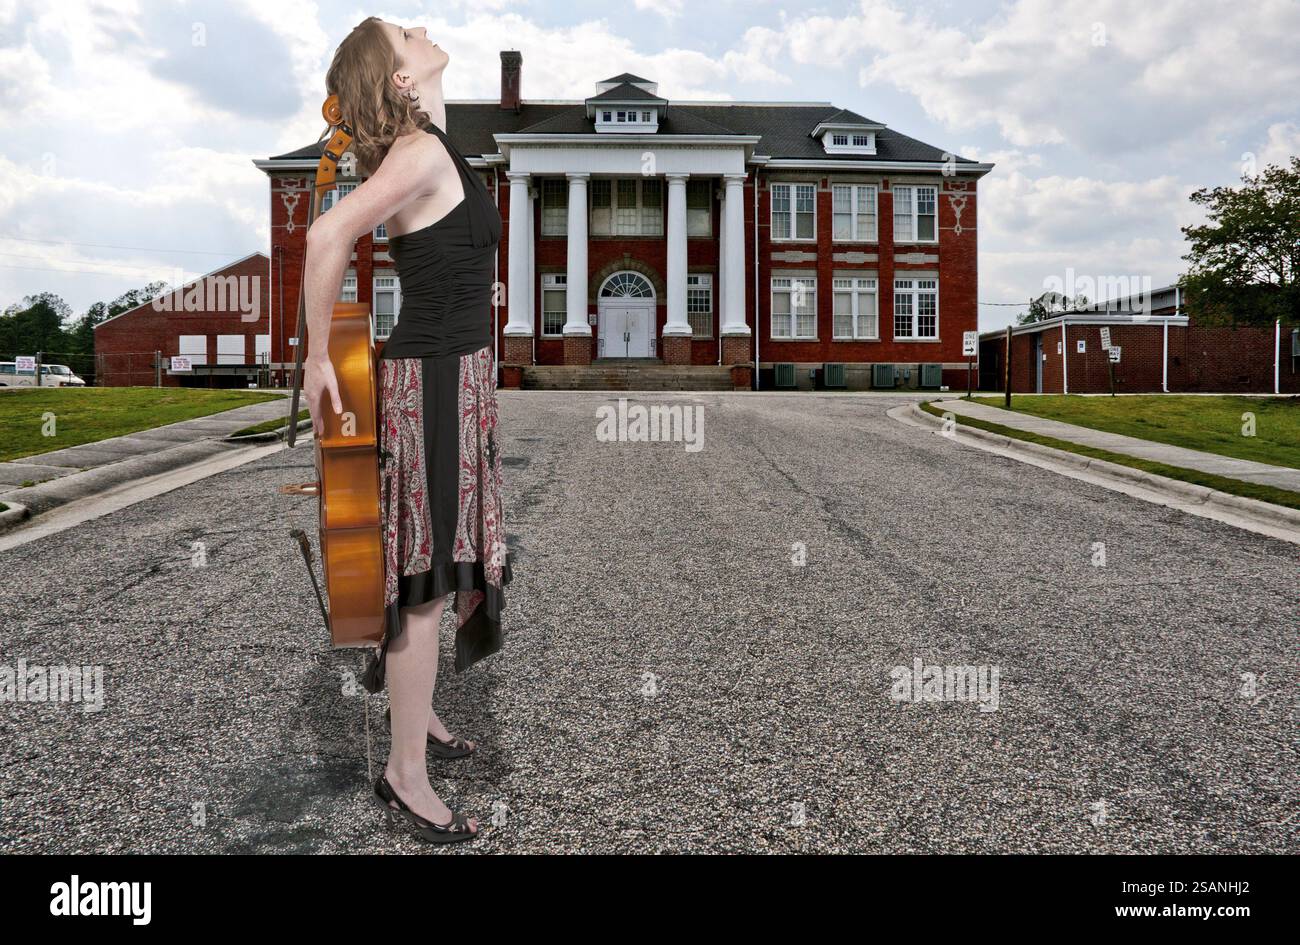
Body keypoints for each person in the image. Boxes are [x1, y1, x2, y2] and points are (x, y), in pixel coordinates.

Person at [301, 16, 514, 844]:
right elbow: (326, 234)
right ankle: (402, 774)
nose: (423, 25)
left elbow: (413, 112)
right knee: (426, 579)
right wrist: (319, 357)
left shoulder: (432, 143)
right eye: (406, 31)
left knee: (442, 557)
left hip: (453, 376)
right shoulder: (419, 154)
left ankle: (413, 713)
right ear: (398, 79)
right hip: (431, 379)